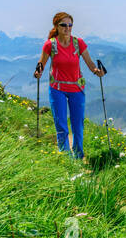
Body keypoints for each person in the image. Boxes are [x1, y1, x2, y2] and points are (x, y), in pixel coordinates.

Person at [34, 11, 104, 160]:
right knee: (61, 125)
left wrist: (97, 71)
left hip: (76, 89)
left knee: (78, 125)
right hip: (57, 89)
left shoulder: (78, 43)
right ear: (56, 26)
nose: (67, 28)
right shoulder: (50, 45)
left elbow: (90, 63)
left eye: (70, 25)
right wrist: (38, 72)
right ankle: (65, 157)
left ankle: (78, 155)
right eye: (63, 25)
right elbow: (42, 64)